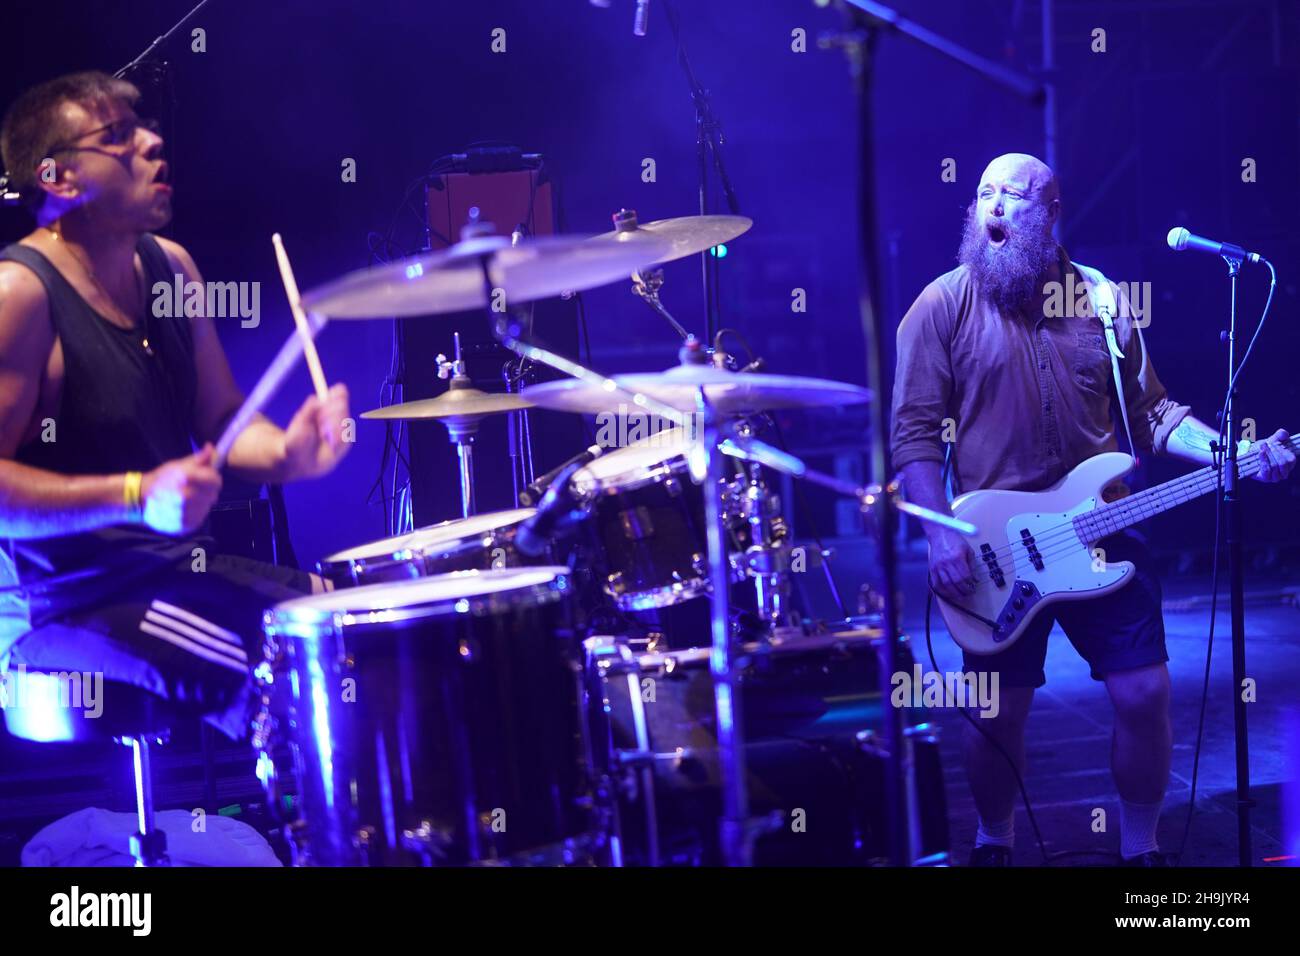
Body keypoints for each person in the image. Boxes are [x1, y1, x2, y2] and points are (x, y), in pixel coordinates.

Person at [890, 152, 1295, 866]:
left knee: (1143, 693)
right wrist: (938, 535)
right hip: (993, 549)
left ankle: (1141, 853)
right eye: (983, 193)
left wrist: (1237, 453)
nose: (993, 207)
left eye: (1012, 196)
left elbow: (1156, 414)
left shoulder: (1104, 301)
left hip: (1104, 530)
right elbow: (914, 436)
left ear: (1050, 212)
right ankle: (993, 845)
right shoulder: (940, 306)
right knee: (995, 713)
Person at [0, 71, 351, 737]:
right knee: (288, 678)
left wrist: (286, 454)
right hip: (66, 603)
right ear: (58, 177)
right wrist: (135, 495)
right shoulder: (19, 295)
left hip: (177, 571)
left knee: (357, 623)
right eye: (119, 137)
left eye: (146, 129)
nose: (154, 144)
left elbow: (219, 418)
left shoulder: (173, 269)